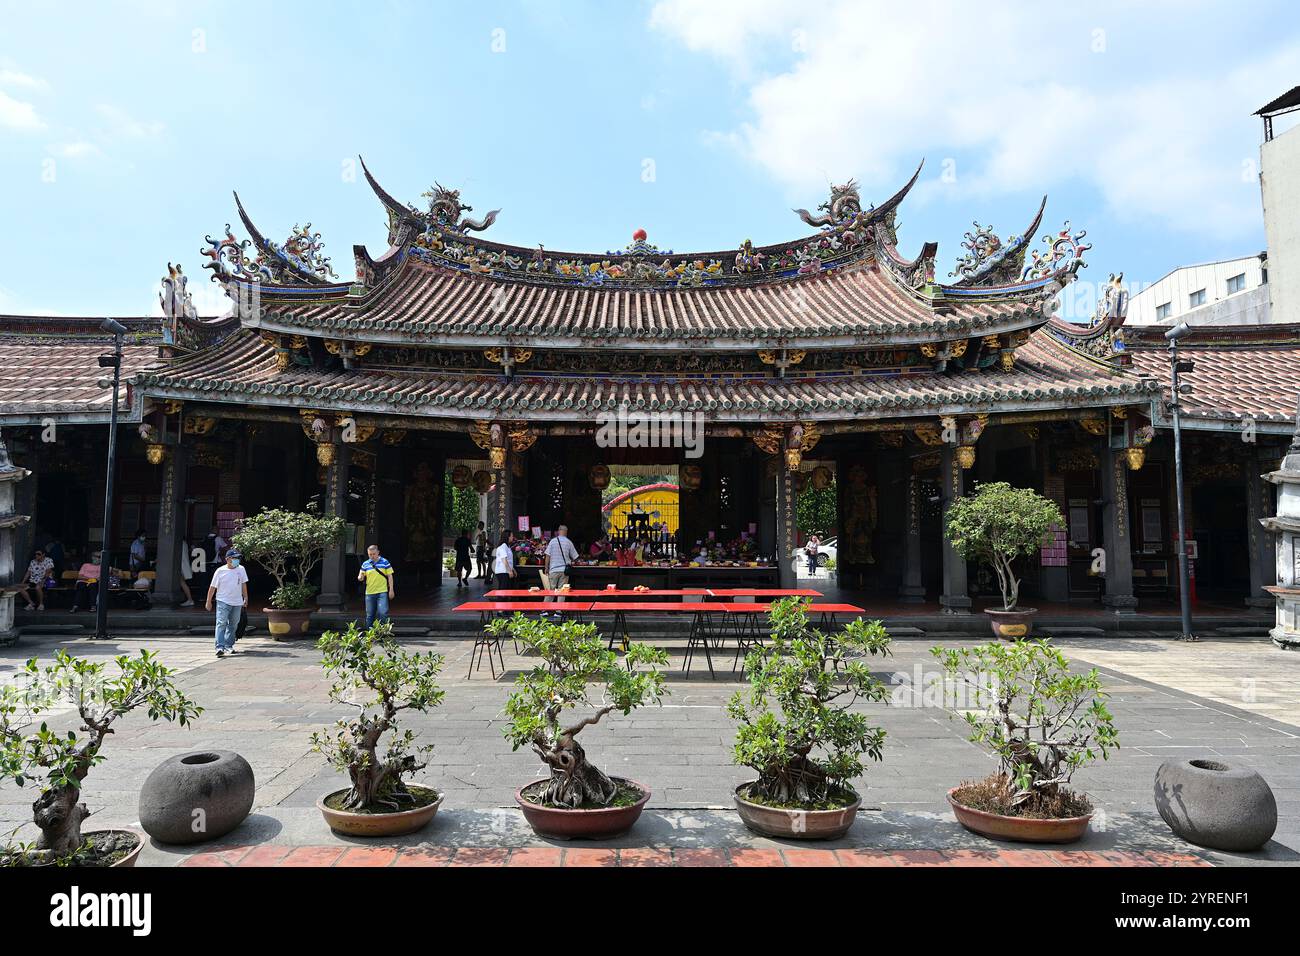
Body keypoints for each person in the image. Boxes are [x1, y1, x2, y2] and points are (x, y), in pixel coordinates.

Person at [206, 548, 248, 658]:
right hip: (223, 601)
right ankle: (219, 646)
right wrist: (208, 601)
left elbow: (243, 584)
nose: (237, 560)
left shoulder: (241, 569)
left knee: (233, 624)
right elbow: (212, 587)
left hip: (237, 602)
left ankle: (229, 645)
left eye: (238, 558)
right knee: (221, 623)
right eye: (234, 558)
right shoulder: (220, 571)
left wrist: (246, 597)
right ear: (228, 559)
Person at [358, 544, 395, 628]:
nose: (372, 556)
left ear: (378, 552)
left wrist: (391, 590)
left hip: (382, 592)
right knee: (370, 615)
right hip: (369, 593)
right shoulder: (365, 564)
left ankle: (383, 635)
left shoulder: (385, 562)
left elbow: (390, 576)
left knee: (383, 613)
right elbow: (361, 575)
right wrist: (360, 577)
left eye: (374, 554)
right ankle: (370, 636)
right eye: (370, 554)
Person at [543, 525, 578, 608]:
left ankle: (544, 609)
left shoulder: (552, 541)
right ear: (566, 532)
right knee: (562, 591)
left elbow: (547, 556)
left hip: (553, 570)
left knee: (551, 590)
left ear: (559, 531)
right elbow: (575, 557)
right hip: (564, 570)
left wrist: (546, 568)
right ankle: (558, 610)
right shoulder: (569, 542)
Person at [178, 537, 195, 607]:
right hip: (183, 565)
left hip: (180, 566)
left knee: (182, 582)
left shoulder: (179, 544)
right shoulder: (184, 543)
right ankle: (189, 599)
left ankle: (190, 599)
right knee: (182, 582)